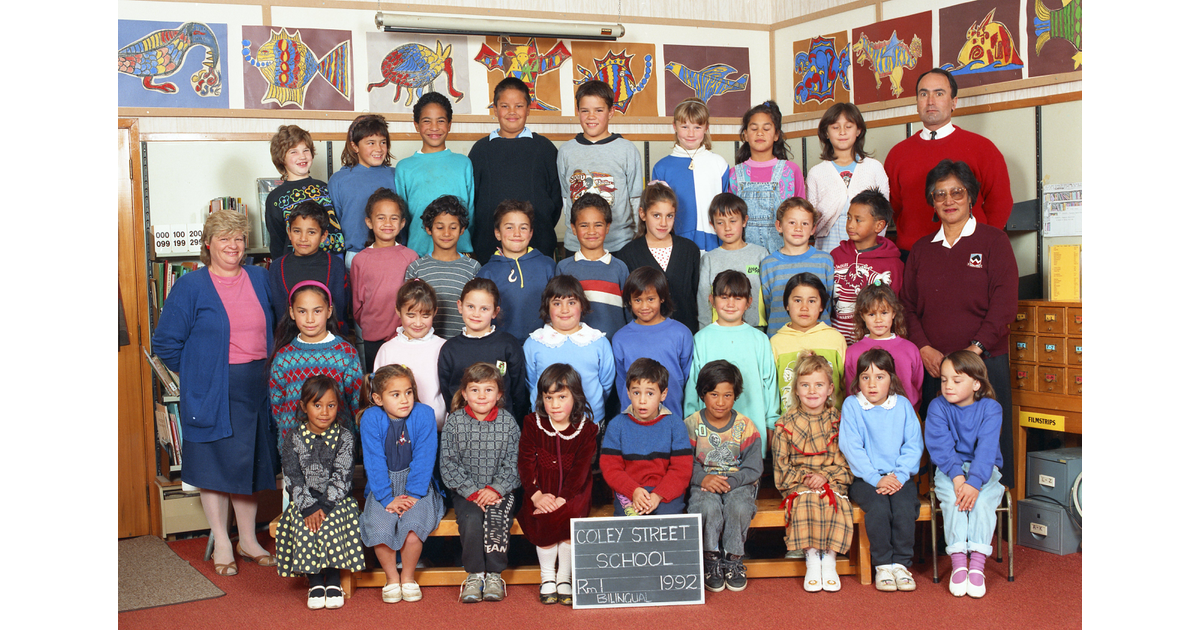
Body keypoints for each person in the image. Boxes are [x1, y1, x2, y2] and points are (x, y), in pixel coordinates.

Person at [152, 209, 277, 577]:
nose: (233, 246)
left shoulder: (260, 277)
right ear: (209, 244)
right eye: (224, 239)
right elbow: (166, 342)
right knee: (214, 464)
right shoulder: (191, 285)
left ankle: (248, 540)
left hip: (257, 383)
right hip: (214, 387)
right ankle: (222, 539)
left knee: (249, 462)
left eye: (239, 238)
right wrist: (199, 372)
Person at [900, 159, 1017, 487]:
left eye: (957, 192)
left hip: (985, 365)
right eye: (940, 194)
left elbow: (1005, 306)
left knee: (988, 452)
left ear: (971, 197)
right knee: (942, 449)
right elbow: (907, 306)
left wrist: (974, 350)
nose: (949, 200)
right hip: (936, 368)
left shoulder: (994, 242)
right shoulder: (921, 250)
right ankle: (945, 530)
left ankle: (988, 533)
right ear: (932, 202)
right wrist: (923, 348)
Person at [883, 68, 1012, 253]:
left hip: (969, 252)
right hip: (912, 255)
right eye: (923, 94)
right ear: (917, 103)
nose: (930, 101)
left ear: (954, 102)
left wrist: (982, 241)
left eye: (939, 93)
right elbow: (892, 207)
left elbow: (1000, 202)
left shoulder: (983, 148)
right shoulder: (897, 154)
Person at [274, 375, 365, 610]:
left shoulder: (344, 437)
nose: (324, 412)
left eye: (331, 405)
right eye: (317, 405)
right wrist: (309, 507)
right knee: (305, 524)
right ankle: (315, 581)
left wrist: (324, 507)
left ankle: (333, 579)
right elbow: (292, 477)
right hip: (304, 500)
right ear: (304, 407)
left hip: (336, 500)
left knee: (331, 522)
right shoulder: (293, 438)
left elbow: (343, 475)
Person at [840, 348, 923, 592]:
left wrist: (898, 475)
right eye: (866, 377)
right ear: (858, 381)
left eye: (880, 377)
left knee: (904, 508)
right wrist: (877, 479)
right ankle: (883, 565)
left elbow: (913, 444)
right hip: (866, 479)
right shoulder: (853, 405)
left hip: (899, 477)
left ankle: (901, 564)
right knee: (878, 509)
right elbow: (851, 447)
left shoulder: (903, 405)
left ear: (892, 379)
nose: (872, 384)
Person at [359, 364, 444, 603]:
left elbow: (425, 458)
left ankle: (407, 576)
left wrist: (414, 495)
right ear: (377, 398)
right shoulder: (371, 418)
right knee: (380, 525)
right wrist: (386, 498)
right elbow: (373, 461)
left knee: (413, 527)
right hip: (383, 486)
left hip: (418, 485)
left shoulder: (424, 413)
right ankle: (391, 578)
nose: (405, 400)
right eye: (395, 395)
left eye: (408, 392)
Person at [926, 351, 1006, 599]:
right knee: (953, 500)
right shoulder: (938, 406)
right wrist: (958, 478)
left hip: (984, 470)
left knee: (981, 501)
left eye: (956, 380)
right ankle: (960, 561)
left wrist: (974, 482)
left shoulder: (991, 408)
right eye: (943, 379)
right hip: (951, 470)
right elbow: (940, 446)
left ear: (976, 384)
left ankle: (978, 565)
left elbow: (987, 448)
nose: (948, 386)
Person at [517, 364, 599, 606]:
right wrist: (535, 494)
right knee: (542, 515)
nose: (554, 404)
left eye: (562, 397)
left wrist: (563, 497)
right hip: (540, 487)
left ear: (575, 396)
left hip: (574, 490)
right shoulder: (533, 423)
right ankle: (547, 578)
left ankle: (564, 577)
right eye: (548, 397)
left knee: (570, 515)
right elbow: (525, 462)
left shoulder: (587, 430)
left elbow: (581, 470)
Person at [439, 363, 522, 604]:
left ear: (499, 394)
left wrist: (495, 489)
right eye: (475, 390)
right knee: (472, 520)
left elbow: (515, 462)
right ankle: (475, 575)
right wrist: (473, 492)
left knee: (497, 518)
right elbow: (449, 464)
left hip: (500, 491)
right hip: (468, 492)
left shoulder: (507, 422)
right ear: (464, 393)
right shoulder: (454, 423)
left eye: (488, 390)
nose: (482, 396)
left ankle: (495, 575)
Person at [772, 354, 852, 593]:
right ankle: (811, 557)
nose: (812, 391)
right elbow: (781, 467)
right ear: (796, 389)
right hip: (799, 484)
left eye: (819, 385)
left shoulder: (840, 421)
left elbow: (846, 461)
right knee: (807, 501)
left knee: (832, 502)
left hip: (832, 481)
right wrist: (807, 479)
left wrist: (825, 477)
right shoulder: (785, 423)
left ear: (830, 389)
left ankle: (829, 559)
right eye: (805, 385)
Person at [684, 360, 762, 593]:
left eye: (727, 395)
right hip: (704, 483)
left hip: (739, 483)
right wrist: (702, 478)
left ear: (736, 395)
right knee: (706, 506)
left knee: (739, 506)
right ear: (702, 394)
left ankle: (733, 558)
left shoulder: (746, 426)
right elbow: (682, 463)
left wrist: (733, 482)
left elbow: (754, 467)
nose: (720, 402)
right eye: (714, 394)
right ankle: (711, 558)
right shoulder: (691, 424)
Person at [685, 270, 779, 456]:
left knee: (748, 478)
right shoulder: (701, 339)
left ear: (749, 302)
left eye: (737, 298)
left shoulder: (759, 339)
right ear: (712, 299)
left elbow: (770, 384)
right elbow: (693, 385)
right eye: (724, 297)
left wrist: (771, 422)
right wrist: (690, 419)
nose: (730, 304)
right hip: (709, 433)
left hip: (752, 429)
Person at [469, 76, 561, 259]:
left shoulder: (544, 148)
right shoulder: (480, 150)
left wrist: (541, 225)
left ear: (528, 109)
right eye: (504, 106)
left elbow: (557, 198)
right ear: (494, 110)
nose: (512, 112)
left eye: (519, 106)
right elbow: (472, 199)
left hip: (538, 243)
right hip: (489, 245)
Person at [268, 281, 362, 452]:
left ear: (329, 311)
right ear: (292, 312)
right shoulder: (283, 357)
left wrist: (353, 441)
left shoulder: (346, 354)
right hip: (295, 451)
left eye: (317, 311)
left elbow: (355, 402)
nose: (310, 319)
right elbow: (277, 405)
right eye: (302, 311)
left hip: (338, 449)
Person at [558, 80, 643, 253]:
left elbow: (635, 199)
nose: (591, 116)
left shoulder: (627, 150)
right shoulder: (566, 151)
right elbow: (566, 199)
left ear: (611, 112)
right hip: (577, 246)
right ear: (577, 112)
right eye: (585, 110)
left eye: (599, 110)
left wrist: (636, 238)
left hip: (619, 245)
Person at [600, 358, 692, 517]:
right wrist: (633, 490)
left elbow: (681, 469)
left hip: (665, 493)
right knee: (630, 527)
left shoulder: (675, 425)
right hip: (629, 492)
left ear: (663, 394)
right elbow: (611, 468)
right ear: (628, 393)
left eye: (650, 393)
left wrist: (659, 494)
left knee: (668, 525)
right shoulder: (617, 426)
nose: (642, 400)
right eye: (636, 393)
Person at [523, 275, 615, 429]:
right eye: (557, 303)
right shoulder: (534, 343)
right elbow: (532, 383)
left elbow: (606, 383)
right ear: (547, 307)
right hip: (547, 422)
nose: (564, 310)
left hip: (590, 420)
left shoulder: (598, 341)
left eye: (571, 302)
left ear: (582, 305)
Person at [614, 182, 702, 333]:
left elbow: (696, 297)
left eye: (669, 216)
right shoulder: (627, 254)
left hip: (686, 334)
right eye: (656, 215)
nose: (663, 223)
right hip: (644, 336)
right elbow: (627, 304)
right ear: (642, 214)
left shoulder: (689, 250)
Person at [396, 91, 475, 257]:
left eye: (441, 121)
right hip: (419, 251)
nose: (434, 127)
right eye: (427, 121)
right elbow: (403, 215)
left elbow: (470, 211)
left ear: (450, 124)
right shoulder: (404, 167)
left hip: (459, 251)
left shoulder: (463, 163)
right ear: (416, 125)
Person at [437, 278, 528, 421]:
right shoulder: (449, 349)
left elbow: (519, 393)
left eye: (484, 308)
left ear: (495, 312)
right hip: (464, 429)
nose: (476, 314)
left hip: (503, 428)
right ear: (460, 306)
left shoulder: (508, 344)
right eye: (470, 306)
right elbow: (448, 394)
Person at [807, 103, 889, 253]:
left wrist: (876, 244)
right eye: (835, 127)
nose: (842, 132)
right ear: (826, 132)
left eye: (848, 126)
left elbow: (883, 213)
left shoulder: (874, 167)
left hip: (868, 247)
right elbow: (810, 219)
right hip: (828, 248)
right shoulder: (816, 173)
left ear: (858, 130)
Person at [611, 267, 693, 417]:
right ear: (629, 301)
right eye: (637, 300)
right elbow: (621, 381)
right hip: (633, 418)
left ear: (662, 298)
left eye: (650, 299)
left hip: (672, 415)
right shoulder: (620, 338)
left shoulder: (681, 333)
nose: (644, 307)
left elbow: (686, 377)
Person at [651, 98, 730, 251]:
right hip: (675, 242)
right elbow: (656, 209)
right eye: (685, 126)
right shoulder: (662, 167)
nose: (691, 133)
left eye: (697, 127)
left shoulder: (719, 164)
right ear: (675, 126)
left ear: (706, 127)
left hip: (713, 240)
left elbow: (726, 206)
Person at [350, 188, 417, 370]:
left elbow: (415, 298)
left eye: (394, 218)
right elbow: (357, 305)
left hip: (405, 335)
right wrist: (371, 326)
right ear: (369, 222)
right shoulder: (360, 260)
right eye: (381, 217)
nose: (388, 223)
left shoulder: (410, 257)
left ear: (402, 223)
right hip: (373, 337)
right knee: (378, 384)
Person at [727, 100, 804, 253]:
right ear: (745, 135)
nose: (760, 133)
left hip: (784, 252)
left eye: (766, 128)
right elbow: (729, 218)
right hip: (745, 254)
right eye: (754, 128)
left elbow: (802, 215)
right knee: (751, 277)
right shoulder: (734, 174)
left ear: (776, 135)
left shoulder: (790, 171)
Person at [829, 189, 903, 344]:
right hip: (837, 340)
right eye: (849, 218)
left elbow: (896, 306)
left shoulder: (892, 263)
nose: (850, 224)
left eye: (858, 220)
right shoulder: (836, 255)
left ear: (879, 225)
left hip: (874, 343)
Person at [477, 199, 556, 341]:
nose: (517, 233)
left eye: (523, 228)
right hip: (500, 347)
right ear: (497, 233)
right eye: (509, 227)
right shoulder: (486, 272)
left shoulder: (548, 266)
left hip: (543, 345)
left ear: (531, 233)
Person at [266, 200, 349, 333]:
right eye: (297, 231)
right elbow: (274, 314)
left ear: (323, 236)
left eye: (311, 232)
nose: (303, 238)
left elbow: (341, 309)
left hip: (330, 343)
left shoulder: (335, 266)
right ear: (289, 232)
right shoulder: (276, 267)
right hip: (289, 345)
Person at [404, 195, 481, 339]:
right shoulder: (416, 268)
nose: (446, 233)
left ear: (462, 229)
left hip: (462, 345)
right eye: (440, 227)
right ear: (428, 229)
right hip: (424, 345)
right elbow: (407, 309)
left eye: (453, 227)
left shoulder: (473, 268)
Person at [374, 279, 446, 429]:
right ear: (398, 311)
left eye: (425, 316)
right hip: (396, 431)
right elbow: (378, 391)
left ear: (435, 312)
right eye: (411, 315)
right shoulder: (387, 350)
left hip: (436, 428)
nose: (418, 323)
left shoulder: (443, 347)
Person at [555, 193, 630, 339]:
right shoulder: (563, 268)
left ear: (607, 227)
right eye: (584, 225)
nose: (591, 231)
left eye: (598, 225)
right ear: (574, 228)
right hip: (575, 346)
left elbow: (629, 313)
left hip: (612, 346)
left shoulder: (620, 268)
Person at [770, 272, 847, 412]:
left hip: (832, 425)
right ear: (786, 304)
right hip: (790, 427)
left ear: (821, 306)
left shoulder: (835, 339)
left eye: (811, 301)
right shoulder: (775, 343)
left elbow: (846, 384)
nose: (804, 307)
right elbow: (771, 392)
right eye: (797, 300)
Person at [265, 124, 344, 258]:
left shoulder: (325, 188)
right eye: (293, 151)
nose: (302, 156)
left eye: (306, 150)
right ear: (281, 158)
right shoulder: (276, 198)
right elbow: (277, 241)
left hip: (334, 260)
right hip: (297, 265)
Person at [760, 197, 834, 337]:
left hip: (819, 337)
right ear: (779, 226)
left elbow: (828, 302)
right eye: (792, 222)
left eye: (805, 223)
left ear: (813, 229)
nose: (798, 228)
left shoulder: (825, 261)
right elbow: (768, 306)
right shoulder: (768, 264)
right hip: (780, 339)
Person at [329, 113, 396, 266]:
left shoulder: (395, 175)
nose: (378, 148)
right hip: (355, 255)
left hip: (393, 251)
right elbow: (335, 223)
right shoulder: (339, 180)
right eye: (371, 143)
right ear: (354, 146)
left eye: (383, 142)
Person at [844, 285, 923, 410]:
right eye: (871, 314)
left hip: (905, 416)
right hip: (866, 419)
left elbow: (916, 386)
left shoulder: (910, 349)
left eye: (884, 312)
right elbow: (851, 390)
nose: (878, 320)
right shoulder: (852, 352)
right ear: (862, 316)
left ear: (894, 313)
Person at [697, 193, 768, 329]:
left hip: (756, 328)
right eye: (720, 222)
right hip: (719, 330)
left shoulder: (760, 254)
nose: (727, 227)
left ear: (744, 220)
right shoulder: (709, 259)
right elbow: (703, 299)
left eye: (733, 221)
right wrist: (704, 331)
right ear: (712, 224)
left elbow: (769, 295)